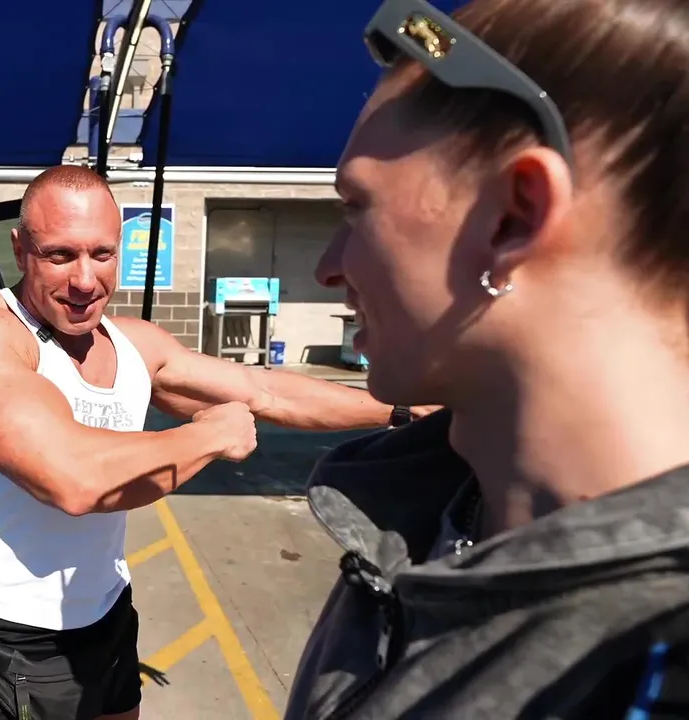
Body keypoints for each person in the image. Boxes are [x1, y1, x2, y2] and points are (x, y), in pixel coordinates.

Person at [0, 164, 435, 720]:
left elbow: (265, 390)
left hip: (106, 618)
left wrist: (403, 409)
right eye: (60, 255)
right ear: (20, 249)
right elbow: (72, 479)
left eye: (102, 254)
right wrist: (208, 435)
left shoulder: (136, 344)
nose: (85, 280)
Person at [286, 0, 689, 717]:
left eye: (356, 207)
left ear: (513, 216)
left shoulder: (657, 669)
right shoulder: (414, 520)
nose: (328, 267)